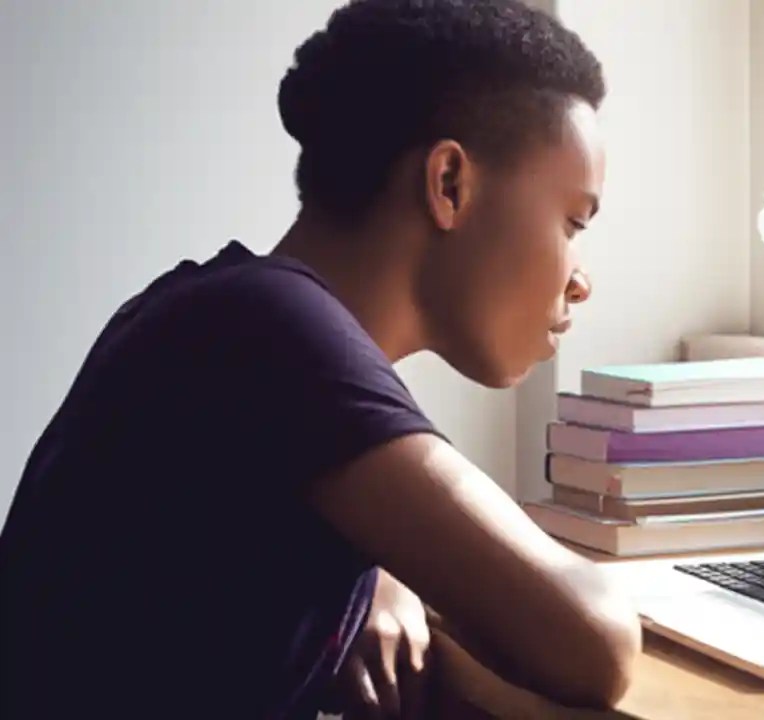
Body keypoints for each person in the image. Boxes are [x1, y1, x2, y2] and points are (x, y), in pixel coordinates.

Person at [0, 0, 641, 717]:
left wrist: (377, 571)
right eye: (573, 221)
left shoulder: (217, 311)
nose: (580, 278)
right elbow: (599, 645)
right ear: (449, 184)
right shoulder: (272, 333)